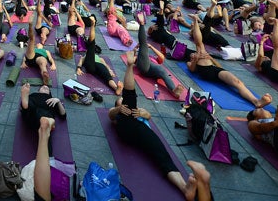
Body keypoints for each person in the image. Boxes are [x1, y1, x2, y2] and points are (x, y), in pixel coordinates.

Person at [108, 51, 212, 201]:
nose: (121, 102)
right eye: (119, 101)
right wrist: (119, 109)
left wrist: (144, 113)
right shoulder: (119, 112)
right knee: (130, 99)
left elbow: (148, 117)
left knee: (163, 159)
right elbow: (110, 115)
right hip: (127, 128)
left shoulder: (136, 112)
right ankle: (130, 66)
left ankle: (185, 188)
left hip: (141, 132)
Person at [187, 14, 273, 108]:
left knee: (238, 82)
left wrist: (211, 58)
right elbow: (192, 69)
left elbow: (219, 66)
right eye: (191, 56)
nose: (192, 55)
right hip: (205, 71)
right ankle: (195, 20)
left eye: (192, 55)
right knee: (200, 46)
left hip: (214, 70)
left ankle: (256, 101)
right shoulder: (191, 61)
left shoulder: (203, 56)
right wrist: (195, 59)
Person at [134, 11, 184, 98]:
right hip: (143, 65)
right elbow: (133, 57)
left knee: (162, 70)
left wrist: (151, 47)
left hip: (153, 70)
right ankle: (141, 24)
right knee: (143, 44)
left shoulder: (155, 59)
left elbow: (162, 57)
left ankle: (174, 91)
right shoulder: (143, 55)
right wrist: (136, 49)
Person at [76, 19, 123, 95]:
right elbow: (81, 59)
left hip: (97, 67)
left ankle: (116, 88)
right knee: (91, 43)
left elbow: (105, 65)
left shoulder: (99, 58)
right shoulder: (88, 55)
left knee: (107, 77)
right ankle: (92, 25)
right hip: (90, 65)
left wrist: (110, 71)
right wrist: (78, 68)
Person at [20, 82, 66, 157]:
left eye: (47, 88)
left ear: (49, 93)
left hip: (46, 117)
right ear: (39, 91)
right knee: (30, 107)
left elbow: (63, 115)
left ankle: (48, 158)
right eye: (43, 87)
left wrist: (58, 101)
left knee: (45, 125)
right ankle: (25, 103)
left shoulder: (52, 100)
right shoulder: (33, 95)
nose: (45, 87)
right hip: (33, 114)